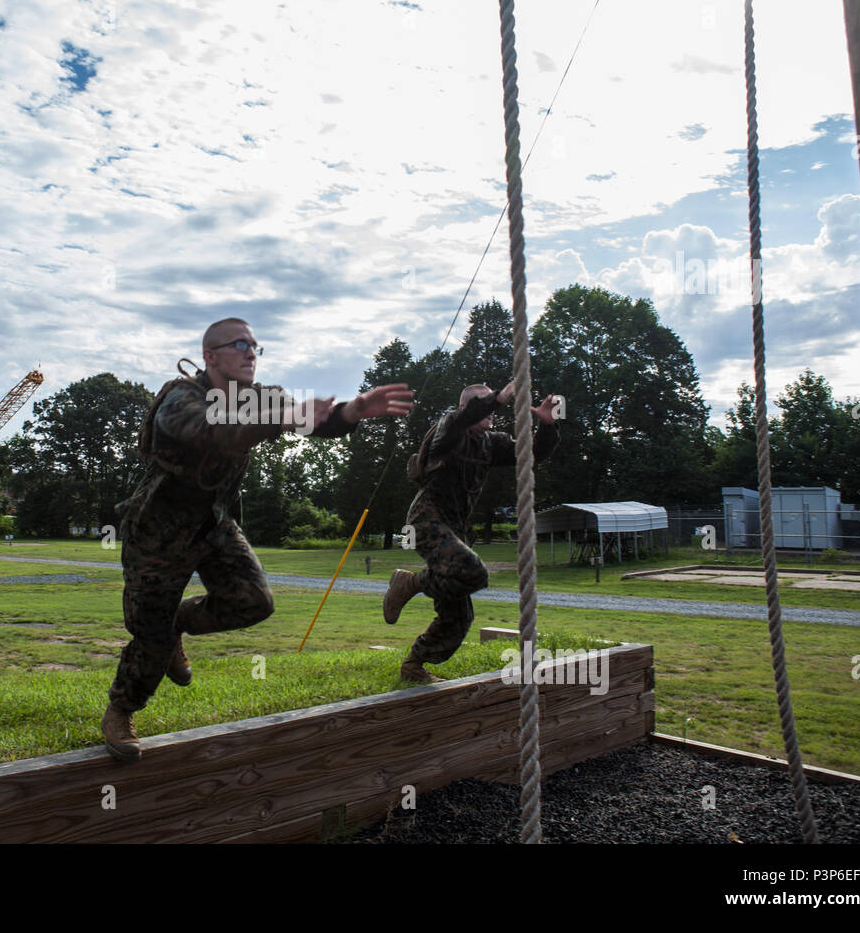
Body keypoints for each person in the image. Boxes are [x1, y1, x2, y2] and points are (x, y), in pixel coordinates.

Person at [103, 317, 414, 761]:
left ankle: (178, 623)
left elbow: (314, 422)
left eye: (255, 346)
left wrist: (353, 411)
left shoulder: (264, 396)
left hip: (215, 525)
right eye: (240, 344)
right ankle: (122, 709)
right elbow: (215, 430)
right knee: (148, 640)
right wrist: (283, 418)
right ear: (210, 356)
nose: (251, 352)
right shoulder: (179, 397)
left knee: (252, 601)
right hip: (158, 531)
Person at [382, 380, 560, 683]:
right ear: (466, 406)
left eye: (491, 405)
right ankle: (411, 583)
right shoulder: (448, 432)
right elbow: (459, 420)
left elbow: (529, 454)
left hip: (456, 530)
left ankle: (413, 666)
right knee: (474, 572)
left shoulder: (490, 443)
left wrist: (546, 426)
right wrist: (499, 398)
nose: (491, 411)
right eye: (484, 404)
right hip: (426, 521)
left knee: (459, 617)